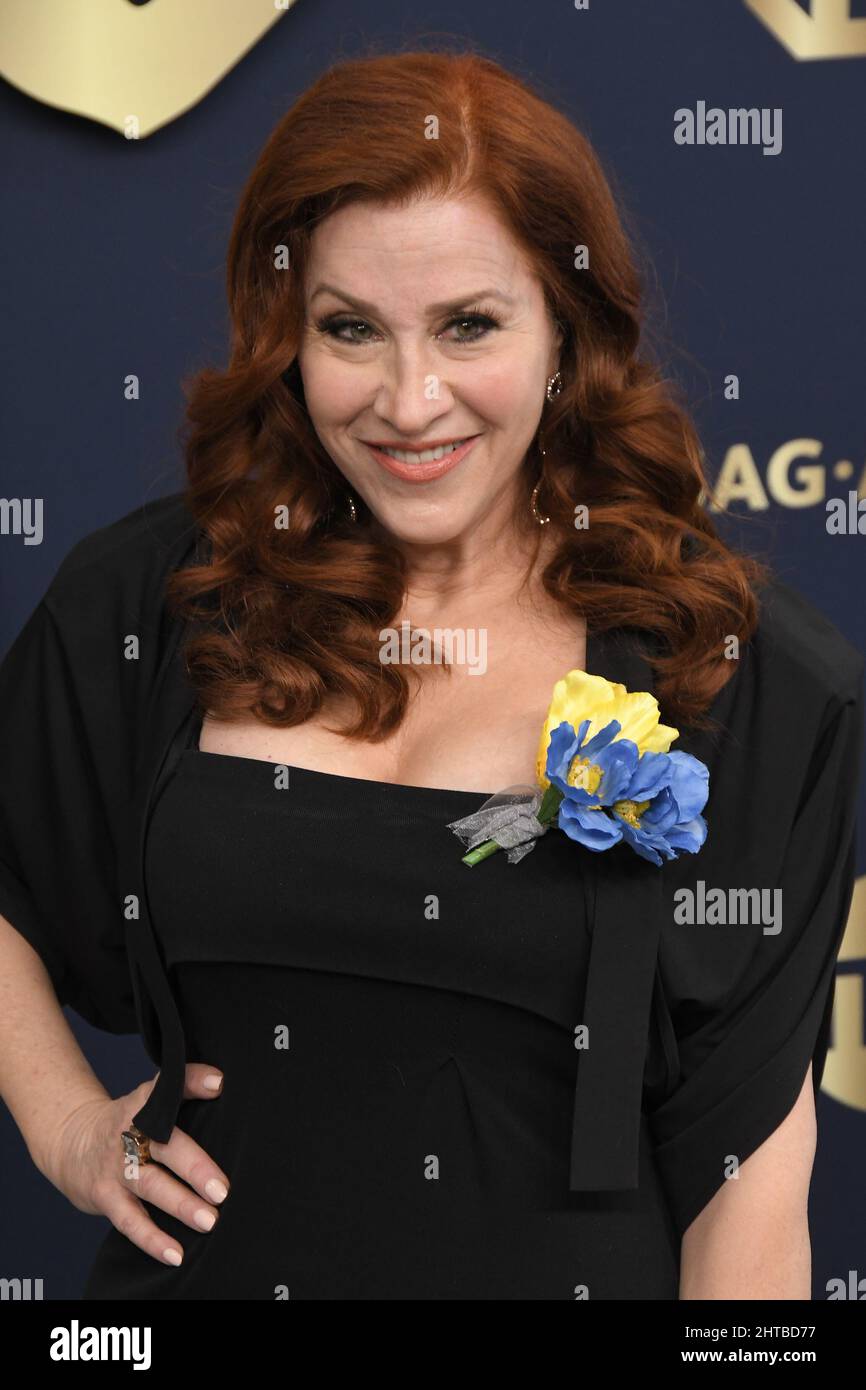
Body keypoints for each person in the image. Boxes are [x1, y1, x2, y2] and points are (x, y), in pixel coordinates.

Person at [0, 50, 862, 1301]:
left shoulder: (741, 674)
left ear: (566, 329)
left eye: (469, 325)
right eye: (350, 328)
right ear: (284, 336)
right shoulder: (159, 596)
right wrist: (69, 1127)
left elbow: (752, 1192)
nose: (410, 401)